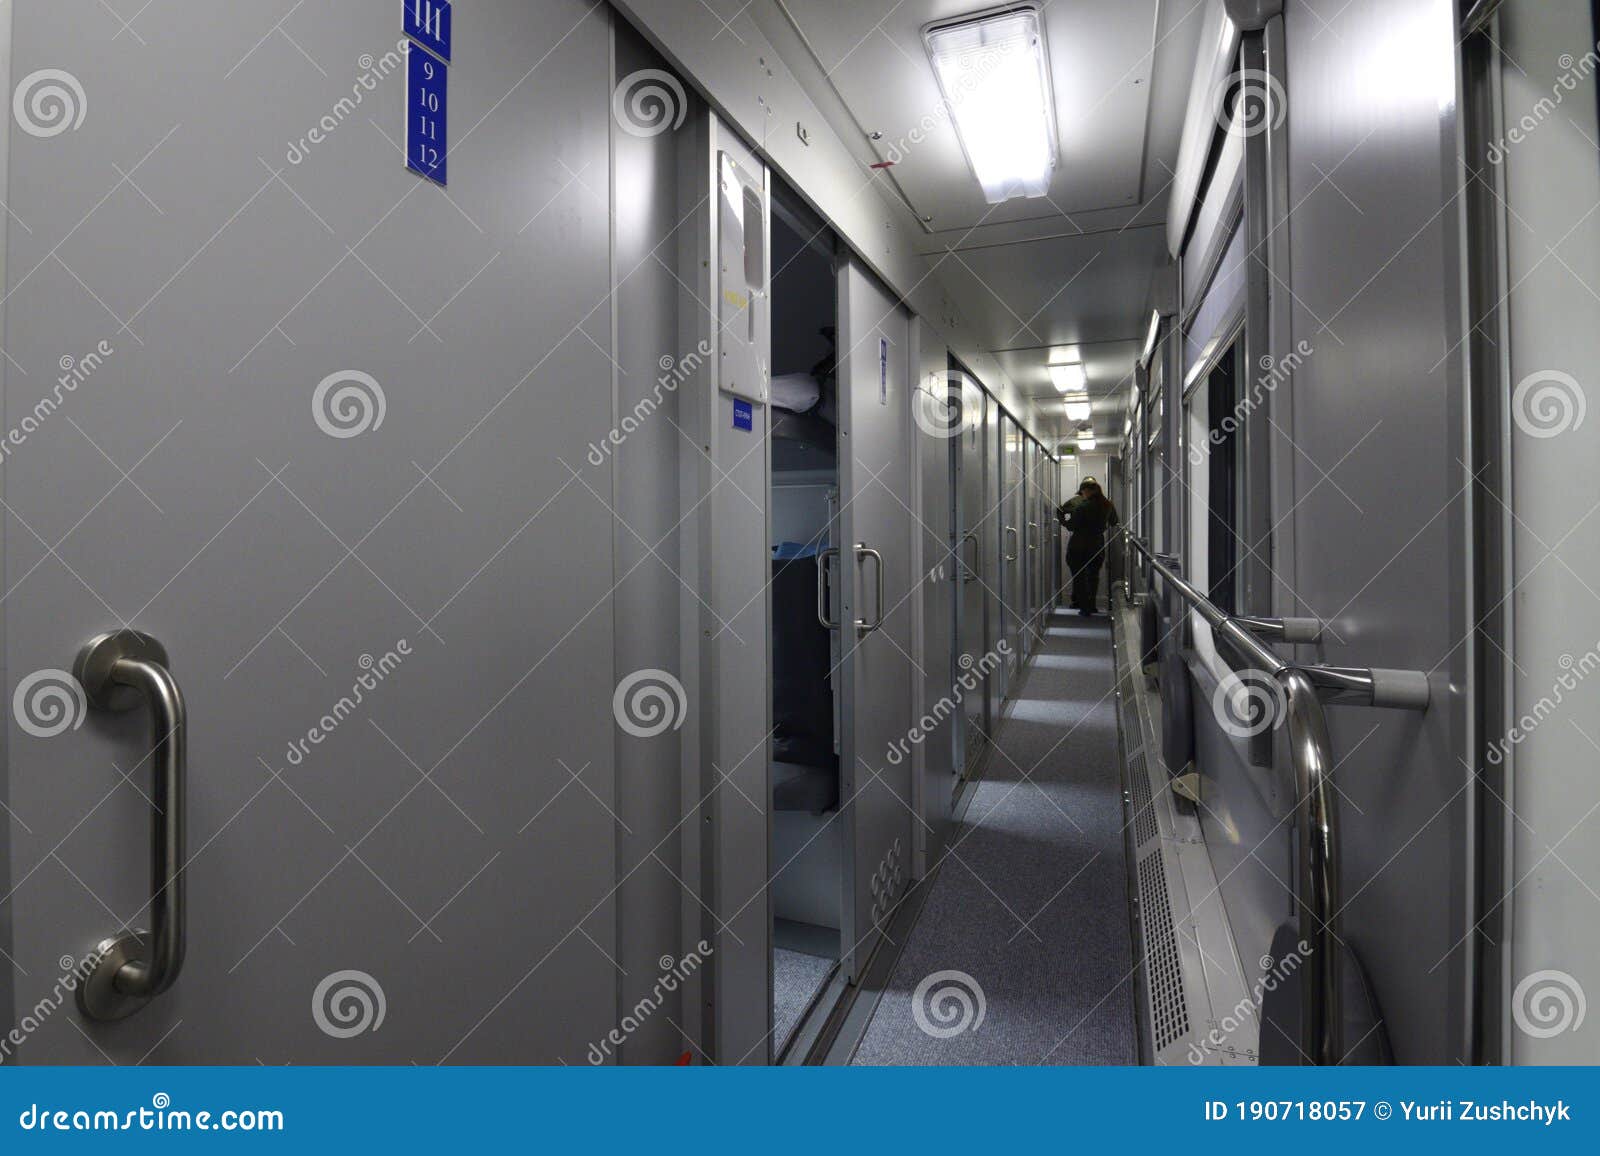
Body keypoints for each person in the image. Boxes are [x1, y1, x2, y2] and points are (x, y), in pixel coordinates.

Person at [1059, 478, 1119, 616]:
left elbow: (1071, 526)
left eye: (1083, 492)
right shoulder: (1107, 505)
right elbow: (1114, 521)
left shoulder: (1083, 506)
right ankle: (1091, 606)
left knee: (1079, 577)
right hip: (1097, 544)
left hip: (1079, 544)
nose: (1082, 495)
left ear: (1088, 491)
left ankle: (1085, 608)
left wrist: (1061, 519)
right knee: (1093, 576)